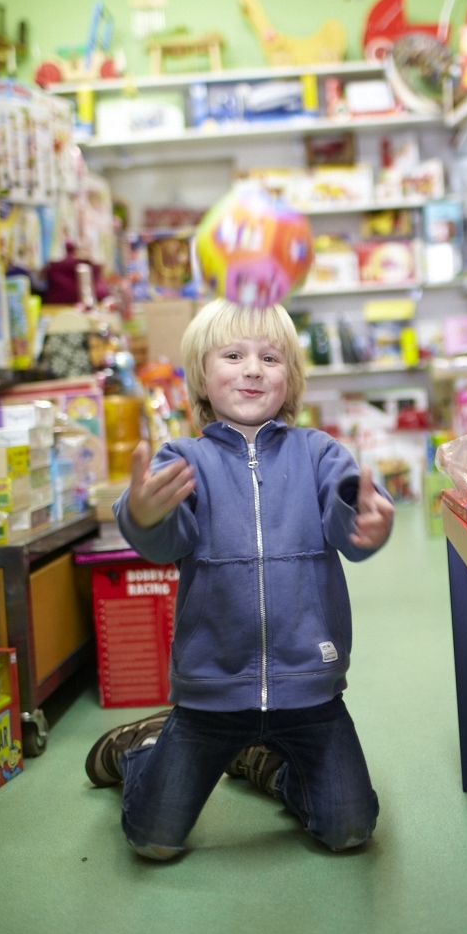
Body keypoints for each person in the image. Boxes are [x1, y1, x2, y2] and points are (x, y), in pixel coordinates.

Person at [85, 299, 394, 861]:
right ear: (202, 376)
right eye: (233, 354)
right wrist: (146, 512)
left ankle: (268, 768)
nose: (253, 368)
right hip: (211, 691)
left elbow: (350, 508)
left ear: (290, 378)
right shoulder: (183, 458)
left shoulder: (318, 452)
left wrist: (365, 522)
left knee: (350, 829)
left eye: (270, 357)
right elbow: (162, 540)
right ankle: (142, 749)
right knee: (153, 839)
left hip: (309, 688)